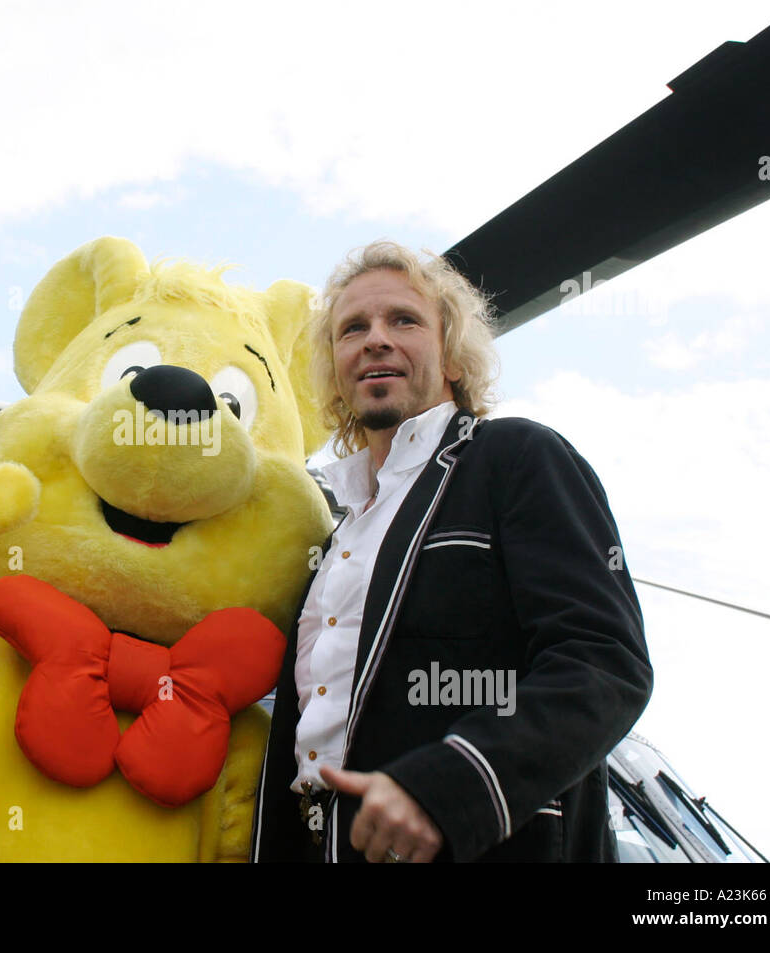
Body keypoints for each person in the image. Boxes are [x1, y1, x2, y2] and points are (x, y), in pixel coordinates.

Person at [250, 241, 652, 862]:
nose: (375, 339)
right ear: (335, 367)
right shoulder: (337, 536)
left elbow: (604, 663)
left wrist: (450, 787)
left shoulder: (516, 458)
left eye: (403, 320)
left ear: (454, 358)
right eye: (352, 328)